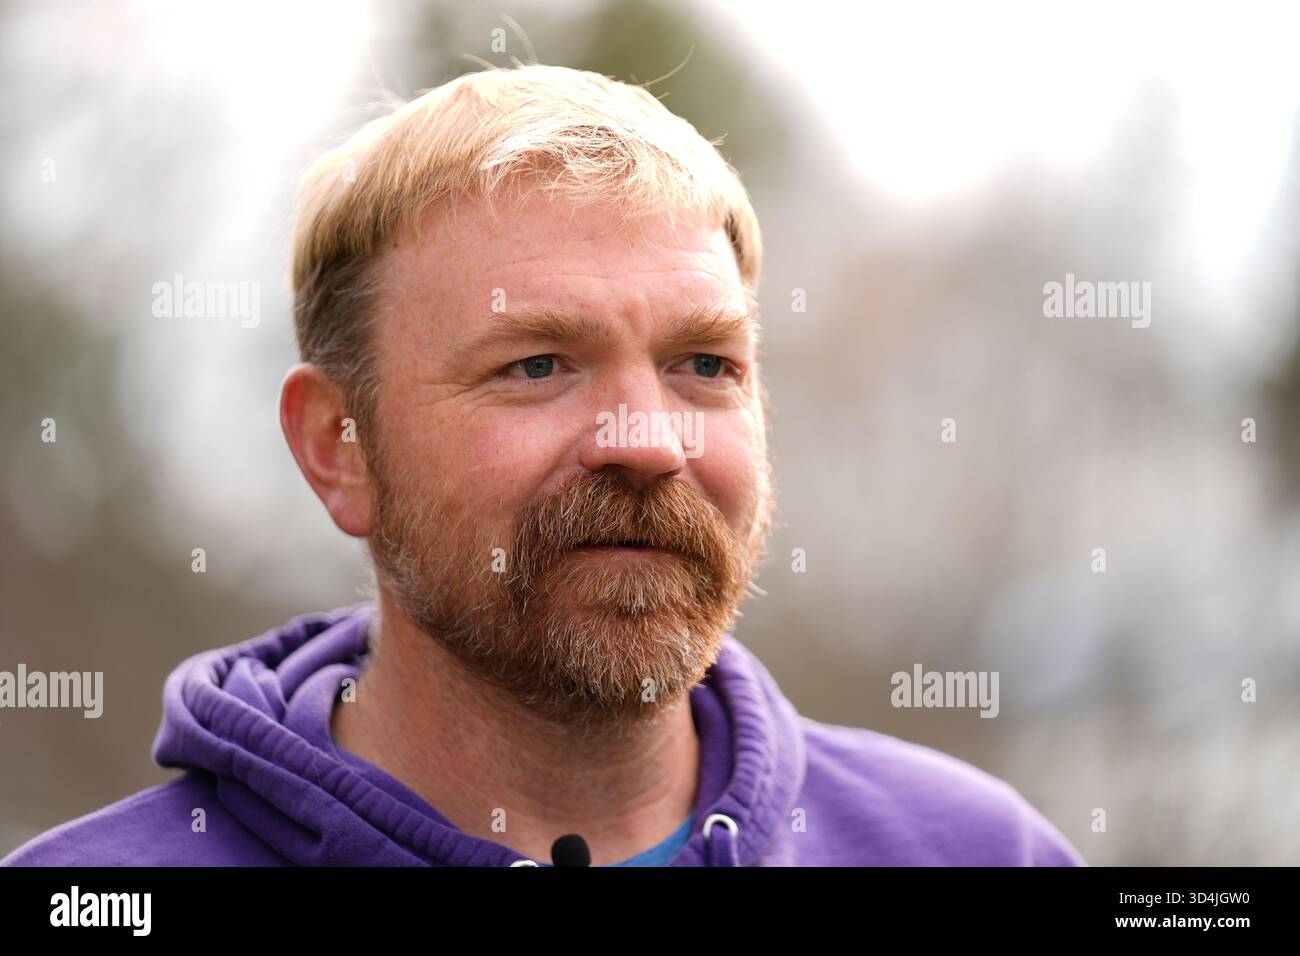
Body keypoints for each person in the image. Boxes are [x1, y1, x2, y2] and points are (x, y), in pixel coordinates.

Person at [3, 64, 1083, 867]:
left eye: (704, 363)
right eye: (536, 365)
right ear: (340, 447)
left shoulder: (978, 851)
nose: (648, 441)